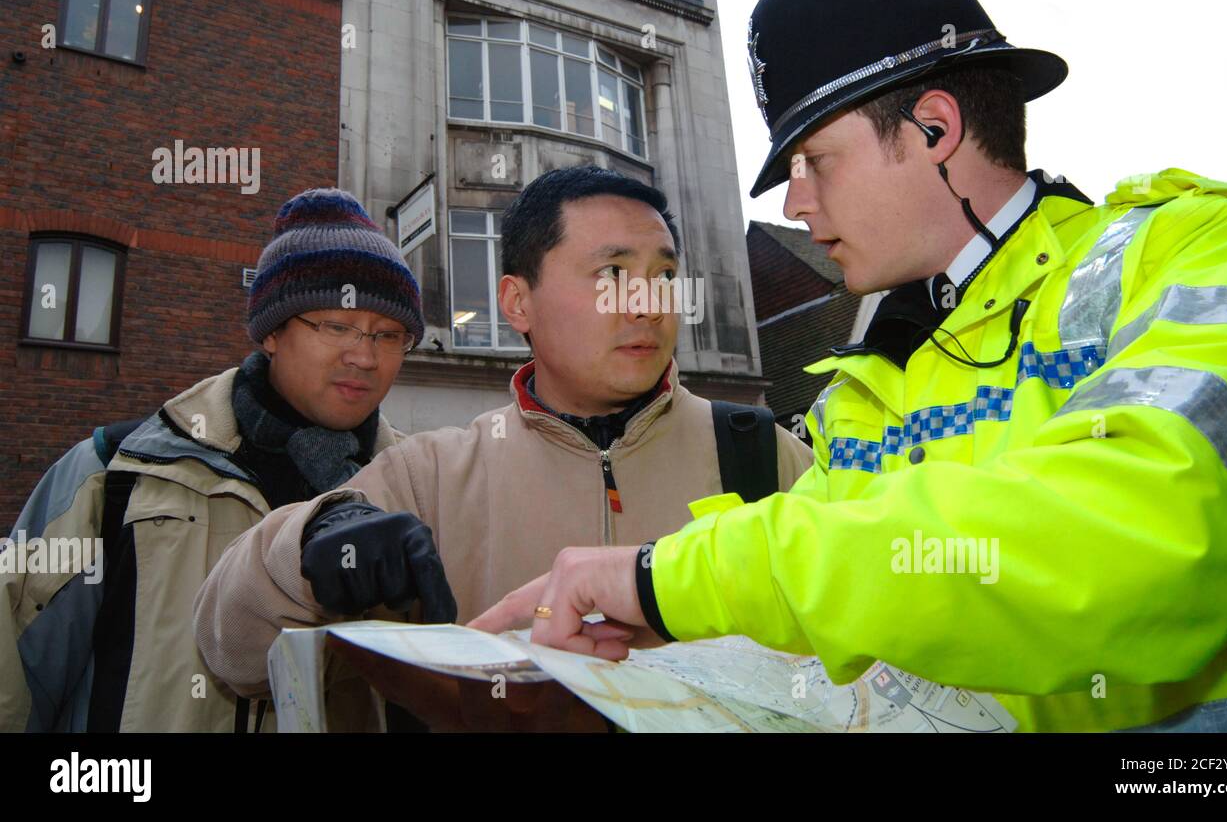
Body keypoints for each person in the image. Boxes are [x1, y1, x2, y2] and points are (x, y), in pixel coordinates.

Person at [470, 0, 1227, 732]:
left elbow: (1153, 536)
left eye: (813, 163)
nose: (794, 206)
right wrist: (658, 624)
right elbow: (829, 582)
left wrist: (662, 584)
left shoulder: (1189, 252)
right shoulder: (865, 389)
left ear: (935, 130)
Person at [193, 165, 811, 701]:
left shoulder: (765, 457)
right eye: (612, 274)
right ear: (517, 303)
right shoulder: (428, 476)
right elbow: (233, 653)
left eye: (666, 275)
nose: (649, 302)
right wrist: (306, 550)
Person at [0, 188, 425, 731]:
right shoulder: (114, 476)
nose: (364, 356)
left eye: (389, 335)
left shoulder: (416, 491)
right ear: (273, 330)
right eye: (335, 326)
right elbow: (15, 681)